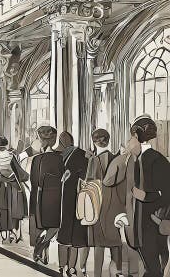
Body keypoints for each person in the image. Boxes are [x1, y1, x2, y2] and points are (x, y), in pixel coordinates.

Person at [129, 116, 170, 277]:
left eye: (133, 134)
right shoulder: (138, 159)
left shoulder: (155, 159)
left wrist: (144, 196)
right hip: (144, 221)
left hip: (153, 221)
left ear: (137, 134)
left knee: (153, 265)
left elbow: (166, 192)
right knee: (151, 263)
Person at [86, 129, 123, 277]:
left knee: (99, 243)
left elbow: (89, 184)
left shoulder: (94, 161)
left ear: (94, 141)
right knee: (116, 241)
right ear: (108, 140)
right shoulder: (117, 158)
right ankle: (117, 272)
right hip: (115, 204)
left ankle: (97, 274)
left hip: (99, 204)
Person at [57, 131, 90, 275]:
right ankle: (70, 267)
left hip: (66, 199)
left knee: (65, 233)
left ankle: (63, 266)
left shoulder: (59, 156)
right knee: (74, 234)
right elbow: (86, 176)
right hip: (78, 198)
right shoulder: (82, 154)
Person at [30, 125, 63, 265]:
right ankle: (43, 247)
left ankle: (42, 249)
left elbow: (34, 180)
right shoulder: (60, 157)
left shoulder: (37, 159)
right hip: (56, 196)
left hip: (40, 195)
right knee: (54, 225)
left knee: (41, 226)